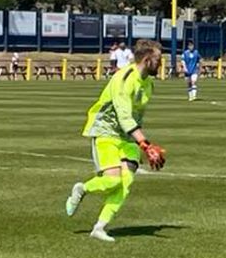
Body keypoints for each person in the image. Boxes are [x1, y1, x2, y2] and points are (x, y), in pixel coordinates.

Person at [65, 39, 167, 243]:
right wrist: (144, 144)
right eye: (158, 59)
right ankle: (82, 189)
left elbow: (136, 117)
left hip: (127, 137)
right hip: (106, 132)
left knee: (125, 184)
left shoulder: (148, 83)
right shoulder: (124, 78)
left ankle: (99, 227)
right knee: (113, 181)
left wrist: (138, 140)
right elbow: (124, 115)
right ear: (147, 60)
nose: (161, 63)